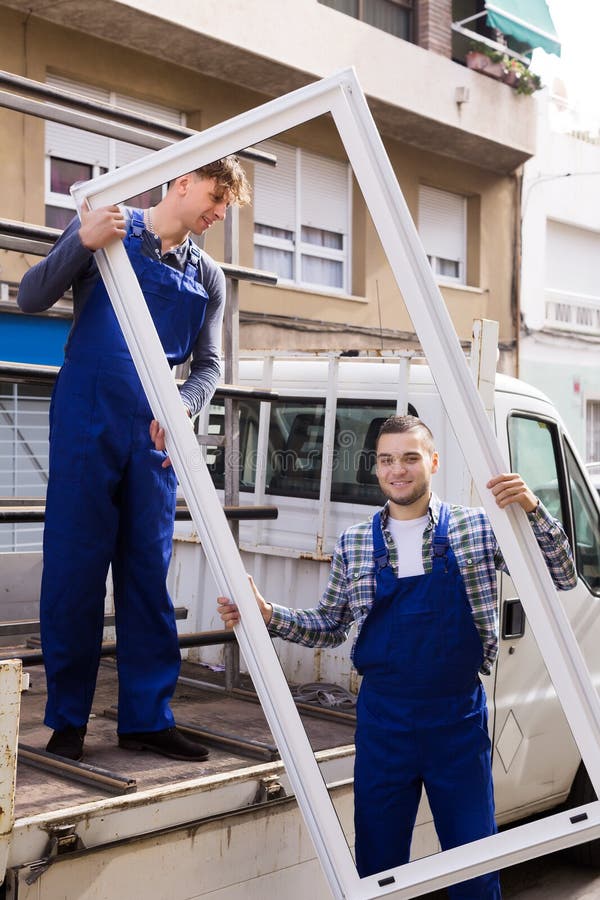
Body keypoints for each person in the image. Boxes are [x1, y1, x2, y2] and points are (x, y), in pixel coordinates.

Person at [217, 414, 577, 898]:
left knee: (474, 862)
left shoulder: (480, 529)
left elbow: (562, 575)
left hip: (457, 718)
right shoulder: (356, 543)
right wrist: (267, 615)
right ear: (376, 468)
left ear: (432, 461)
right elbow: (329, 626)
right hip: (384, 721)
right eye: (387, 460)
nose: (398, 469)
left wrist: (532, 508)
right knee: (380, 868)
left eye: (410, 457)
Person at [18, 157, 250, 763]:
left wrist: (185, 405)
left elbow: (210, 366)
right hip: (85, 417)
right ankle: (67, 722)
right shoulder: (107, 227)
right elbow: (31, 294)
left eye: (227, 205)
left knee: (148, 574)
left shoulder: (209, 275)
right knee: (74, 570)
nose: (219, 213)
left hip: (154, 434)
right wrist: (82, 244)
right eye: (215, 195)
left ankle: (146, 719)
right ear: (180, 181)